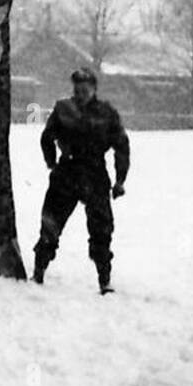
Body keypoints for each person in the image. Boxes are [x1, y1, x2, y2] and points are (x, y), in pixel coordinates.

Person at [33, 67, 130, 294]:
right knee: (50, 225)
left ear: (94, 89)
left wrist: (120, 179)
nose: (81, 94)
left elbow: (121, 146)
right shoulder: (63, 109)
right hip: (67, 172)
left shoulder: (107, 113)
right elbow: (47, 137)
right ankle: (38, 271)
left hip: (95, 174)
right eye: (77, 89)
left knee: (101, 230)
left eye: (85, 89)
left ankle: (104, 279)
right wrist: (51, 162)